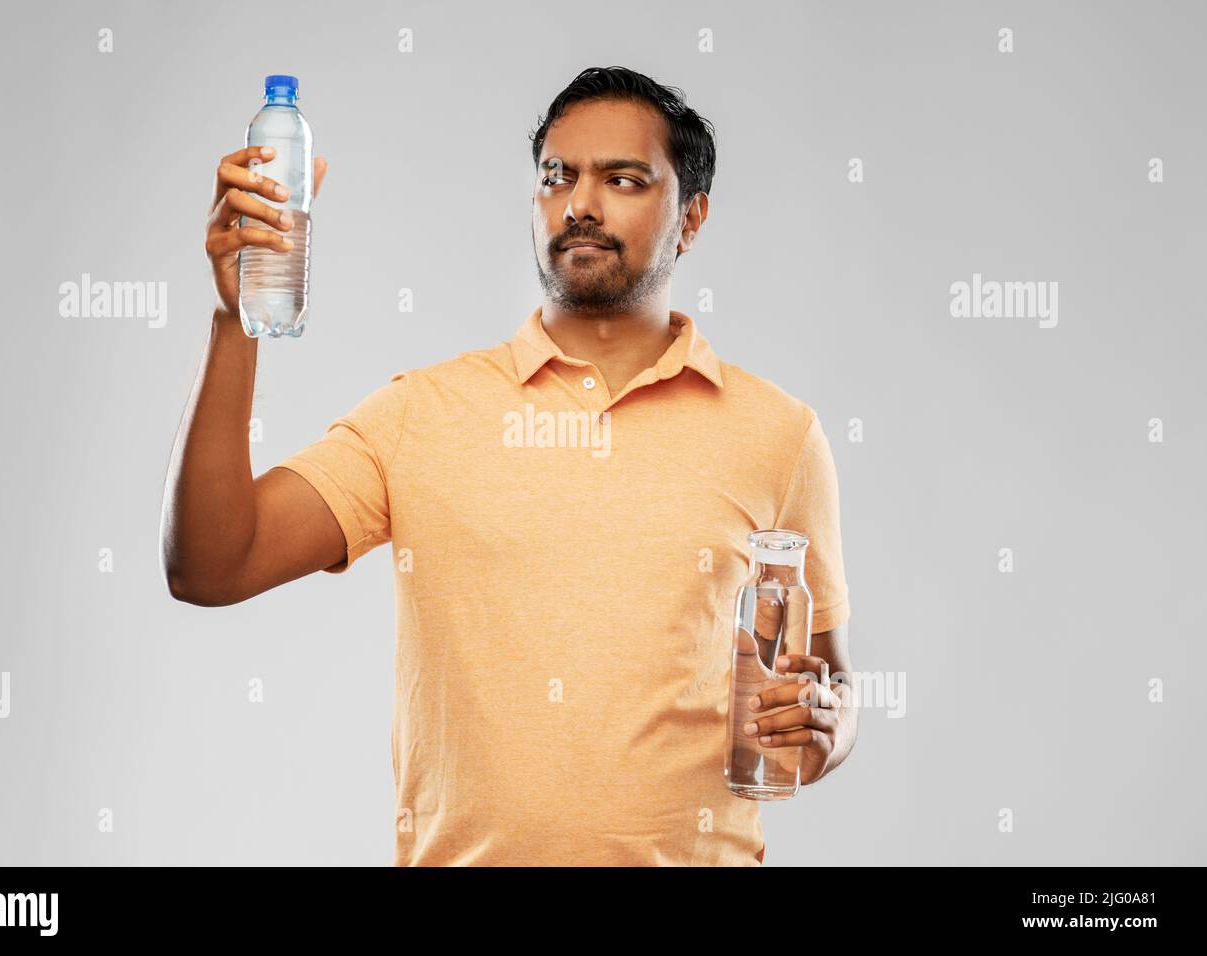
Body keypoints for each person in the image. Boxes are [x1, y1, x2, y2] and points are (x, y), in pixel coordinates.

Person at [162, 66, 856, 866]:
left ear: (691, 216)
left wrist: (830, 729)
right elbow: (213, 565)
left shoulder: (778, 434)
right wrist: (233, 318)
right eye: (556, 176)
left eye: (623, 179)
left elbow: (832, 683)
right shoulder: (422, 413)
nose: (580, 204)